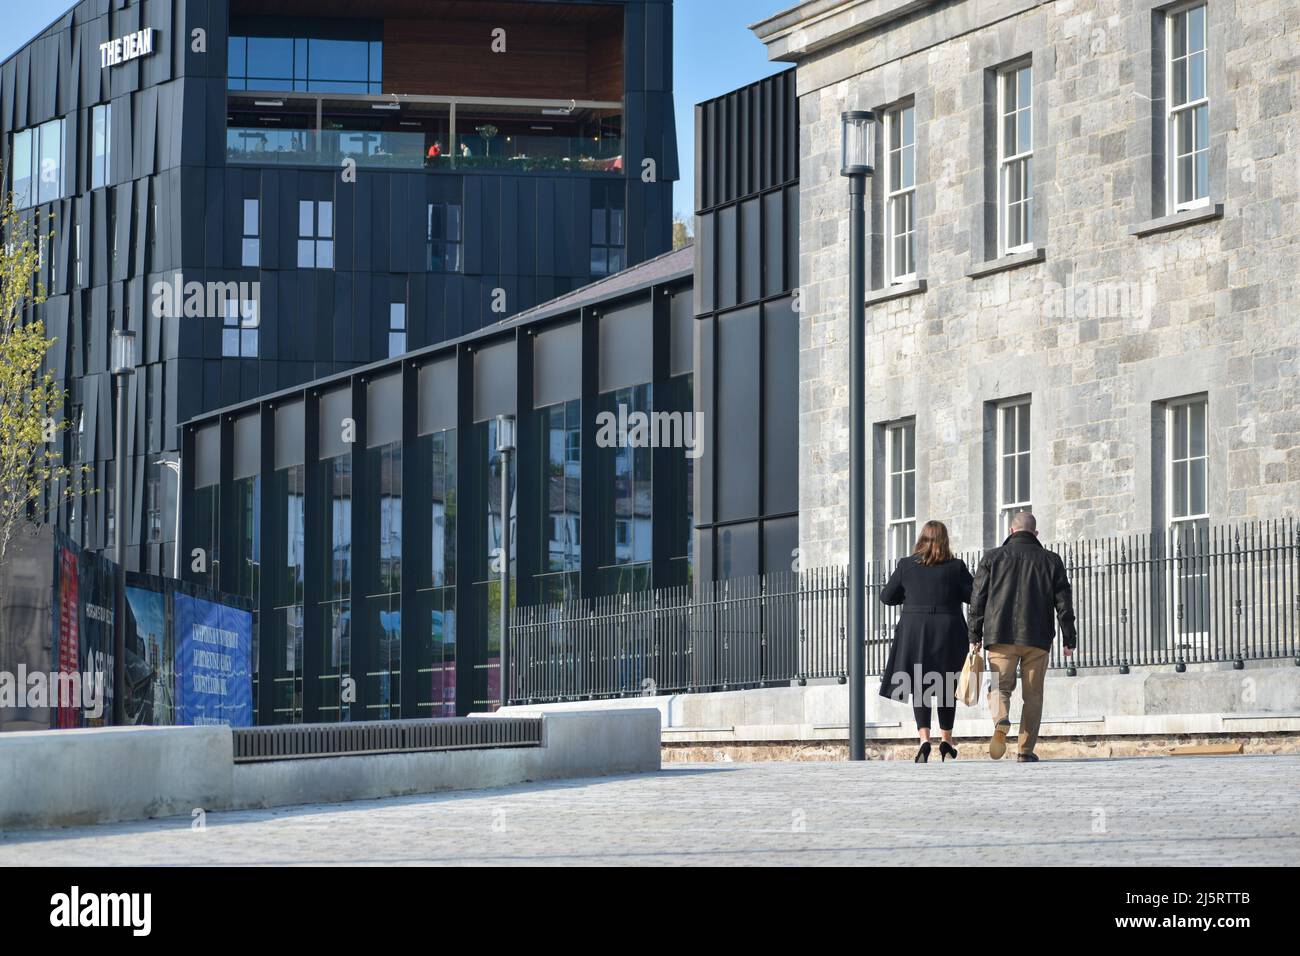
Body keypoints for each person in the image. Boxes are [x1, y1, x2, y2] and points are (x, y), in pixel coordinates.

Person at [968, 512, 1076, 762]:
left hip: (1000, 635)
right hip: (1037, 638)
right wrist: (1069, 638)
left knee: (998, 687)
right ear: (1035, 534)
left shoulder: (992, 558)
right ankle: (1025, 750)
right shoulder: (1051, 560)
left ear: (1011, 530)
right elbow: (1064, 603)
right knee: (1033, 695)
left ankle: (1001, 719)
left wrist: (974, 633)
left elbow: (978, 600)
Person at [879, 520, 973, 763]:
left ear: (921, 539)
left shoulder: (906, 565)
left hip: (915, 629)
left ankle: (923, 740)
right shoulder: (956, 566)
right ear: (945, 540)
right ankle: (946, 739)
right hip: (948, 629)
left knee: (921, 684)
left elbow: (887, 597)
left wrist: (910, 596)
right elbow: (973, 596)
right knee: (946, 684)